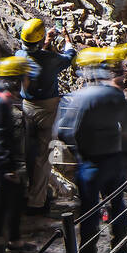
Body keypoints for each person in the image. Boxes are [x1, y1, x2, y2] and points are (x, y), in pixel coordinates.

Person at [54, 45, 127, 253]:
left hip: (89, 162)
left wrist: (78, 152)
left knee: (89, 209)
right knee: (117, 204)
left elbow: (63, 131)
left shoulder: (76, 98)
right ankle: (120, 248)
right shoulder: (114, 95)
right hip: (114, 159)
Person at [16, 18, 76, 216]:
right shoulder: (50, 60)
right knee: (43, 155)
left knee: (30, 150)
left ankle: (34, 191)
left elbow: (35, 54)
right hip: (46, 109)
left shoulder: (19, 55)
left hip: (27, 107)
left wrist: (45, 42)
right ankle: (37, 202)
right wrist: (67, 39)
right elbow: (69, 56)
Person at [0, 55, 33, 249]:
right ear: (17, 80)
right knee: (6, 203)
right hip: (6, 164)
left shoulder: (2, 100)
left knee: (9, 202)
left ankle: (8, 238)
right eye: (25, 77)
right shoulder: (2, 103)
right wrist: (6, 166)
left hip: (6, 162)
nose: (28, 80)